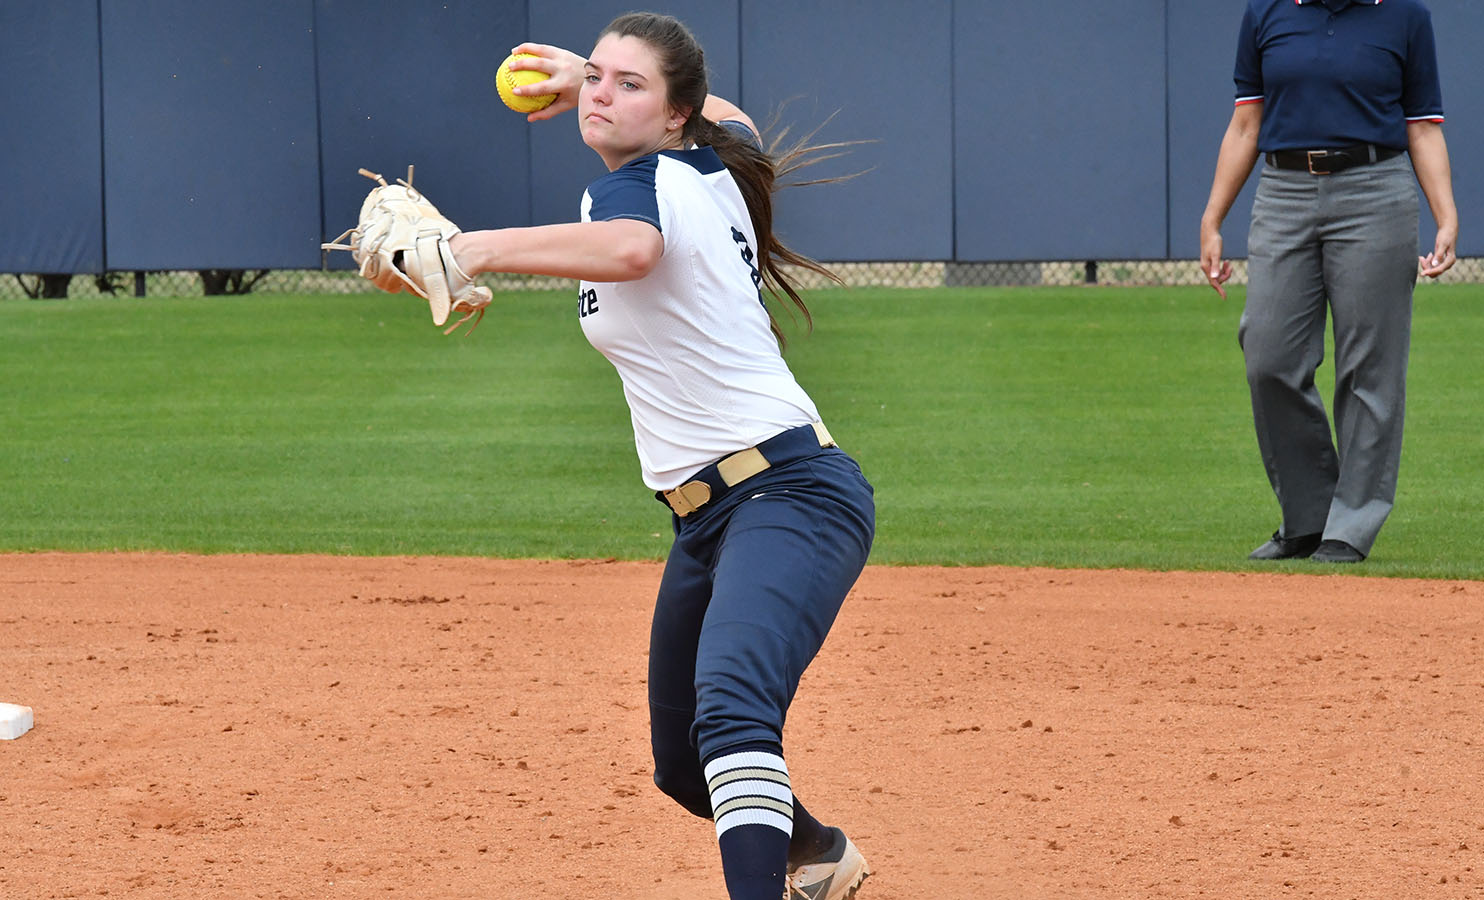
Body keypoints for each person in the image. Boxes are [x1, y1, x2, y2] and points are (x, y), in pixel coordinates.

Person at [446, 13, 875, 900]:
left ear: (677, 116)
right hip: (706, 519)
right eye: (597, 78)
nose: (601, 94)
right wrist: (588, 78)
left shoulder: (638, 192)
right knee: (685, 762)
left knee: (732, 716)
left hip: (789, 492)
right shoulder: (715, 167)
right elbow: (740, 121)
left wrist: (469, 248)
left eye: (627, 85)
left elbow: (633, 251)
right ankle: (820, 852)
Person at [1199, 0, 1458, 564]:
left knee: (1370, 365)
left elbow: (1422, 125)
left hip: (1375, 188)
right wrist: (1213, 217)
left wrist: (1446, 217)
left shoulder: (1406, 15)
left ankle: (1351, 524)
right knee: (1268, 355)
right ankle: (1309, 516)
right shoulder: (1266, 12)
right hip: (1284, 189)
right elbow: (1246, 123)